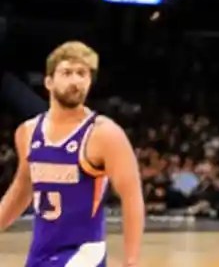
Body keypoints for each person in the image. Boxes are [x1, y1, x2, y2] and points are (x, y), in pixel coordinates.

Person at [0, 41, 145, 267]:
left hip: (83, 253)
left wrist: (131, 259)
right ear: (49, 81)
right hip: (40, 252)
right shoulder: (27, 132)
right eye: (67, 72)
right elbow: (22, 187)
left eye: (82, 74)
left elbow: (132, 197)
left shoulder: (105, 134)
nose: (75, 80)